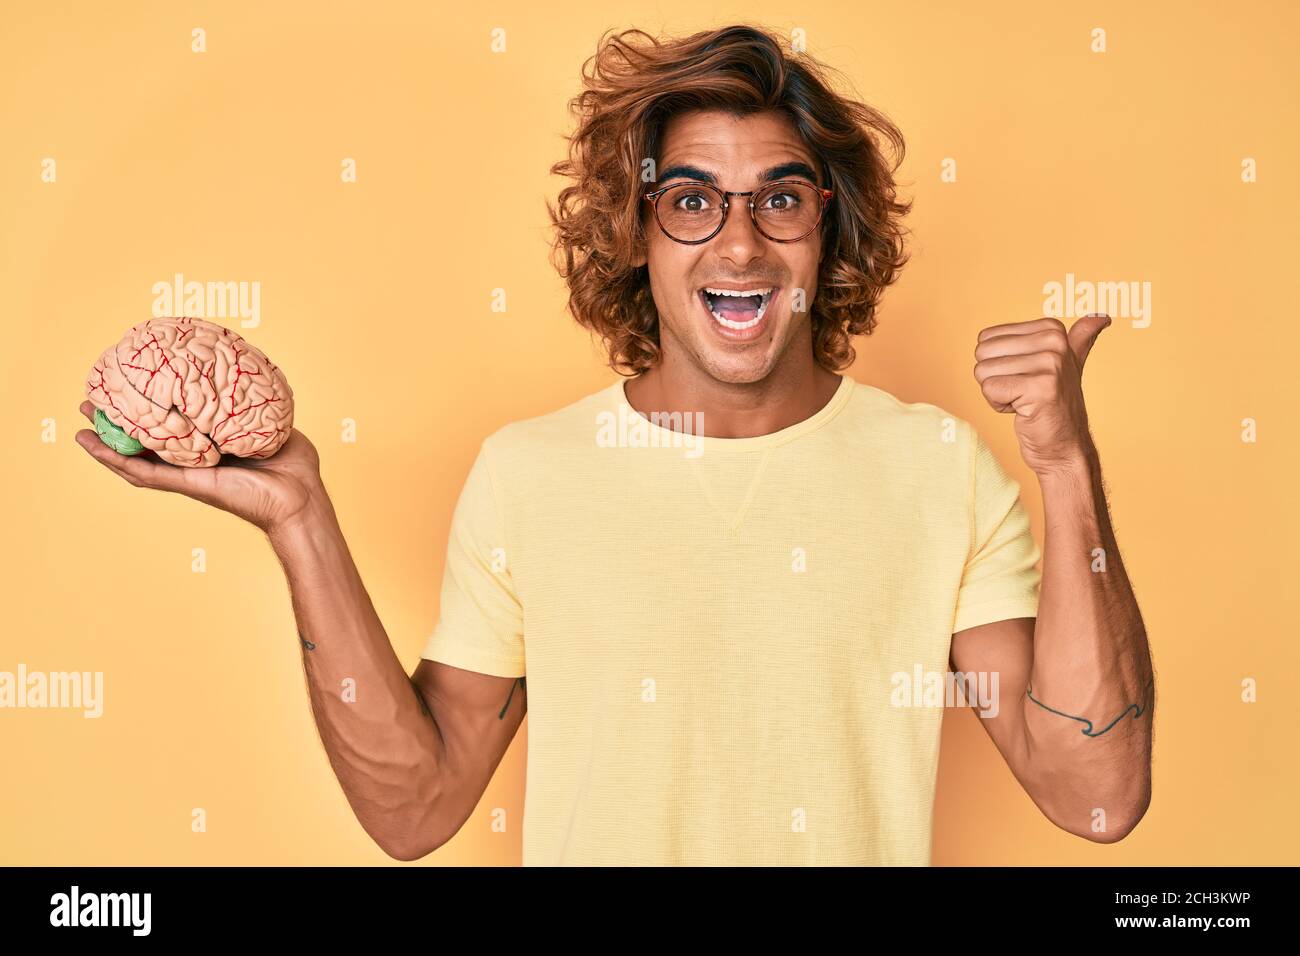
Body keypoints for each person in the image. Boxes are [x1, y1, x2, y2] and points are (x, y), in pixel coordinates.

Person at [76, 23, 1153, 866]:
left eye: (781, 199)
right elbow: (415, 808)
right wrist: (302, 519)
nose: (739, 241)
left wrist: (1065, 464)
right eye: (690, 200)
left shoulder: (939, 470)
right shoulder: (529, 474)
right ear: (634, 234)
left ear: (831, 235)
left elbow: (1094, 794)